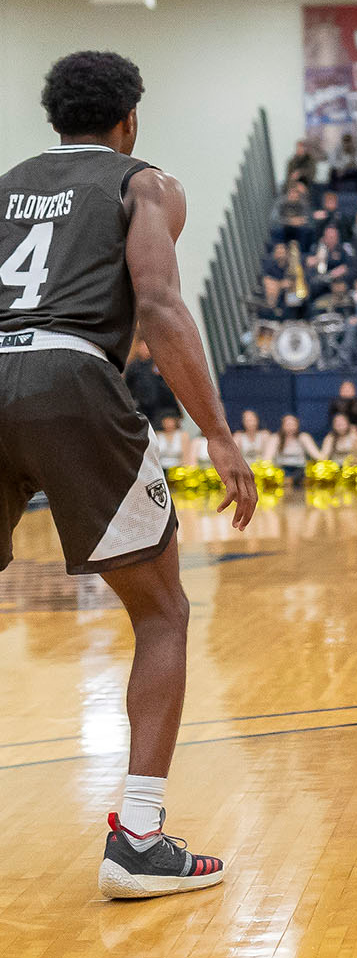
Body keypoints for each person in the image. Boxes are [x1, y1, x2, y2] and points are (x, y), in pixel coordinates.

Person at [0, 53, 256, 898]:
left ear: (53, 121)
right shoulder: (146, 184)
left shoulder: (5, 186)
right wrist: (216, 432)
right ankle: (138, 839)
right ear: (129, 120)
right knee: (163, 613)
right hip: (72, 377)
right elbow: (158, 305)